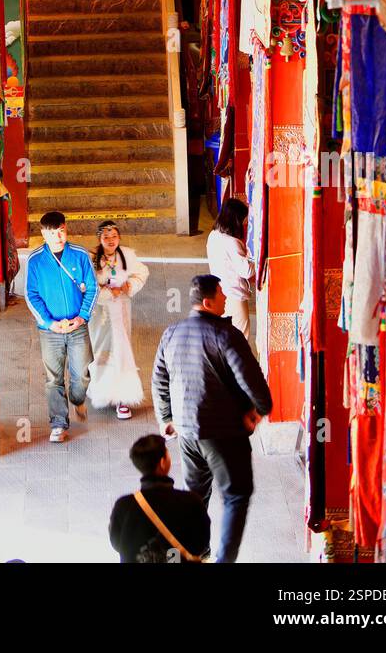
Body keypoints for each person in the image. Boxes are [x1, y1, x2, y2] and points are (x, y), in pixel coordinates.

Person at [151, 274, 272, 564]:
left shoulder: (172, 332)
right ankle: (224, 560)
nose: (226, 298)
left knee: (195, 496)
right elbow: (251, 378)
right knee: (236, 496)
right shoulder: (227, 335)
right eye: (221, 294)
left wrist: (166, 416)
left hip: (187, 432)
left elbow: (159, 378)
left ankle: (193, 552)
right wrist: (261, 408)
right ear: (208, 302)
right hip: (224, 433)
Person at [25, 211, 98, 443]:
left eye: (61, 231)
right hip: (50, 331)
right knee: (53, 378)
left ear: (66, 229)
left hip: (77, 326)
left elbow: (93, 288)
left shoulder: (79, 255)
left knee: (82, 374)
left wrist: (82, 317)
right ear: (43, 234)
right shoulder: (35, 260)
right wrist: (48, 322)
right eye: (52, 233)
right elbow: (31, 294)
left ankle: (78, 400)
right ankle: (58, 423)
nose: (58, 237)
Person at [109, 434, 210, 564]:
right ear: (163, 463)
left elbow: (116, 543)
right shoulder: (190, 501)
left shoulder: (123, 505)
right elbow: (200, 544)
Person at [88, 220, 149, 418]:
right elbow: (85, 285)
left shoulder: (127, 255)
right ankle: (103, 391)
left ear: (119, 237)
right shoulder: (90, 258)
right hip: (100, 313)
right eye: (106, 237)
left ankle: (123, 397)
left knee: (122, 349)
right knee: (101, 350)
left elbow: (142, 273)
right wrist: (106, 291)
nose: (110, 240)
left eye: (114, 236)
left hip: (121, 310)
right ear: (100, 239)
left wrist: (126, 287)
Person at [207, 197, 256, 341]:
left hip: (220, 293)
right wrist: (255, 258)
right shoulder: (232, 242)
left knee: (225, 339)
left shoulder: (213, 236)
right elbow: (246, 271)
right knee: (240, 340)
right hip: (235, 295)